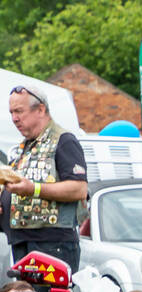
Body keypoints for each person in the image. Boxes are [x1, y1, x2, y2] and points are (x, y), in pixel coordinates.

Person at [3, 85, 88, 277]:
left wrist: (34, 189)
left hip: (53, 244)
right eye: (11, 113)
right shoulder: (23, 148)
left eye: (19, 111)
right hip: (23, 241)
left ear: (40, 109)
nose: (14, 118)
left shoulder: (64, 140)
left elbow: (79, 189)